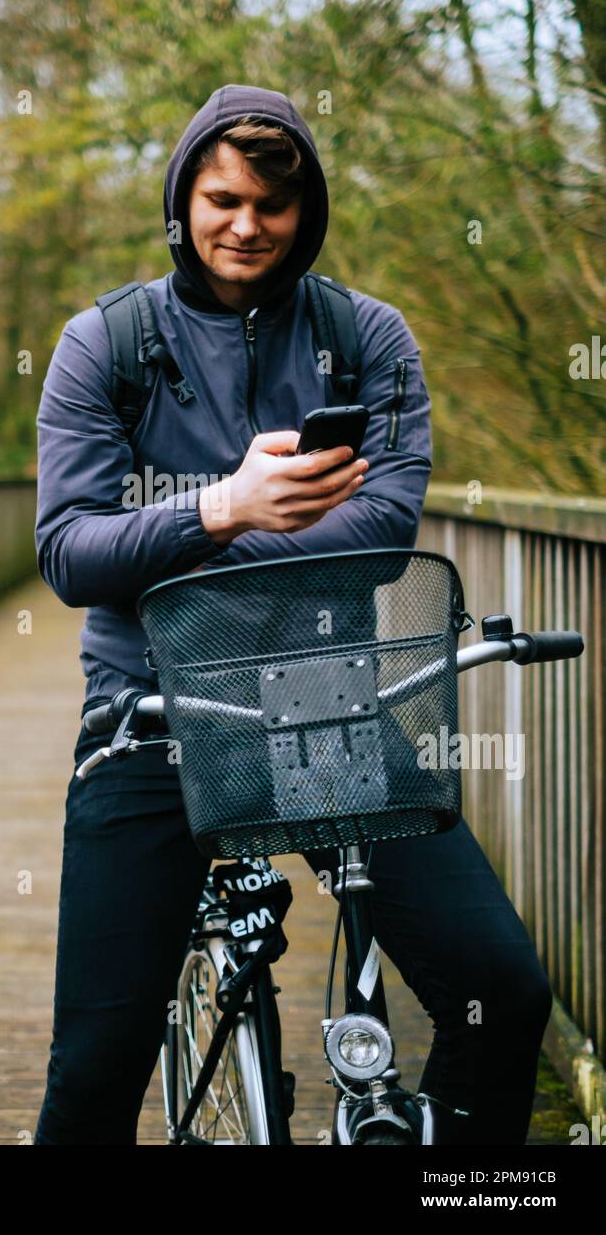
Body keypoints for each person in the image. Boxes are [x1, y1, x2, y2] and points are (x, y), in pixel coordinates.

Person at [32, 84, 552, 1145]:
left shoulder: (366, 337)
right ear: (182, 201)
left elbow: (380, 536)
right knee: (93, 1072)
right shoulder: (105, 344)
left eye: (271, 205)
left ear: (303, 212)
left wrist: (184, 543)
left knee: (498, 989)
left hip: (325, 705)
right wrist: (224, 506)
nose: (244, 225)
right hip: (153, 713)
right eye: (220, 198)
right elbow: (67, 553)